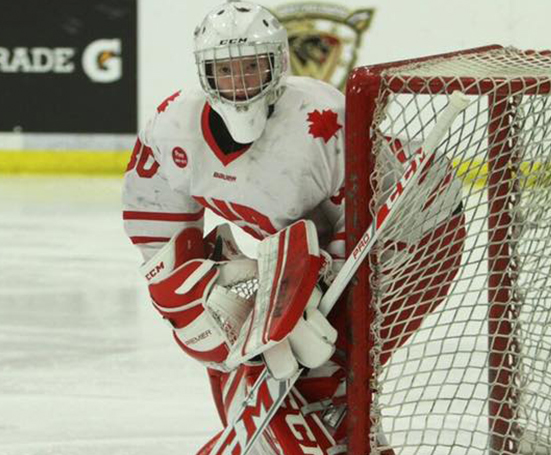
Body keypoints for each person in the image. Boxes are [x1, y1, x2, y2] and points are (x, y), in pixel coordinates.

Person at [121, 2, 466, 453]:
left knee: (327, 374)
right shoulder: (173, 129)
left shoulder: (319, 120)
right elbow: (155, 222)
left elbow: (361, 230)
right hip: (337, 241)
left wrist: (311, 298)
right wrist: (185, 297)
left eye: (252, 67)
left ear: (278, 64)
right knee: (252, 364)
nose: (240, 83)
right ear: (204, 74)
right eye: (225, 70)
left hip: (417, 228)